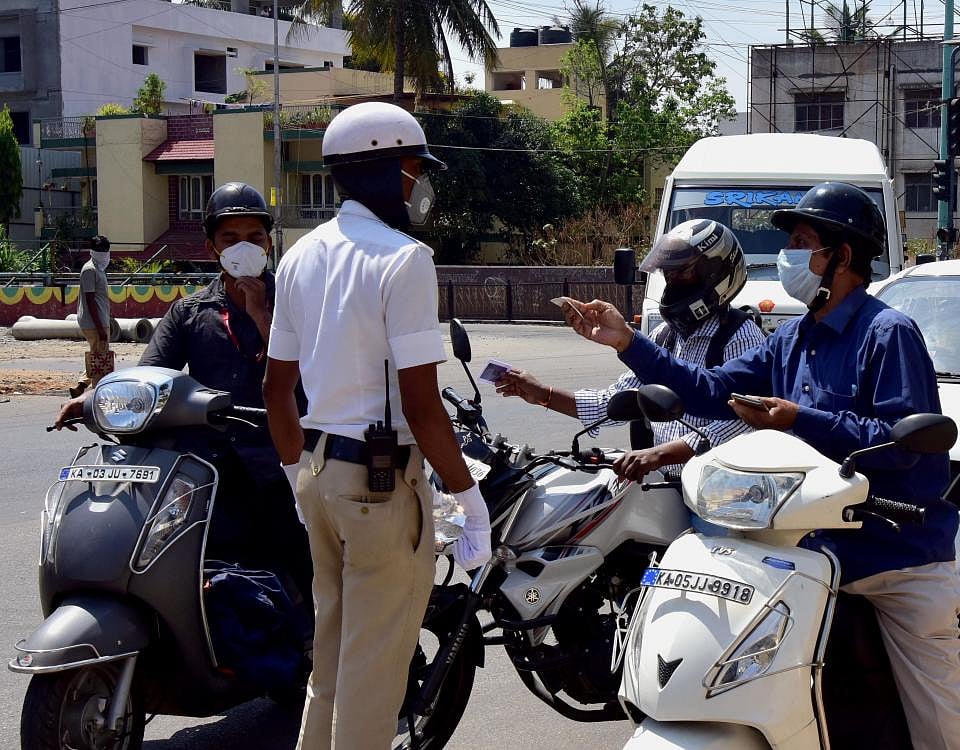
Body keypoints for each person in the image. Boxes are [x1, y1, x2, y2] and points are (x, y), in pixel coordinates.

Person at [556, 182, 960, 750]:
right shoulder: (794, 336)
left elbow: (902, 442)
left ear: (842, 256)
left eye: (802, 242)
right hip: (803, 549)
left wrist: (799, 419)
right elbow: (711, 390)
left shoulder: (888, 335)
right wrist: (628, 342)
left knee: (940, 721)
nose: (788, 256)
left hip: (893, 555)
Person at [262, 101, 492, 750]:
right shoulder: (404, 259)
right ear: (382, 169)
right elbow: (422, 406)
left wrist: (297, 482)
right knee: (373, 678)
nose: (421, 185)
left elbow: (277, 389)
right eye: (415, 169)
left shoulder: (301, 257)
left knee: (332, 663)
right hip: (380, 487)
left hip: (319, 476)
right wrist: (471, 505)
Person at [55, 183, 313, 611]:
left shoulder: (297, 303)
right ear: (212, 246)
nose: (243, 247)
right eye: (230, 238)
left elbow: (311, 378)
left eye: (254, 237)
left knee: (305, 576)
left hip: (283, 468)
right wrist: (93, 401)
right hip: (209, 471)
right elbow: (150, 376)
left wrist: (264, 317)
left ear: (269, 243)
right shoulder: (190, 311)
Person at [496, 220, 764, 494]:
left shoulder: (740, 337)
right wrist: (542, 393)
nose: (672, 283)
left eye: (681, 273)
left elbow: (738, 424)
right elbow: (611, 403)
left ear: (715, 273)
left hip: (719, 494)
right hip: (669, 486)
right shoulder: (665, 336)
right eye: (668, 275)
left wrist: (658, 455)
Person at [71, 235, 113, 397]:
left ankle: (81, 385)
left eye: (106, 250)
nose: (105, 254)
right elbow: (90, 300)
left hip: (100, 318)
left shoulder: (98, 268)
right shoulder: (90, 269)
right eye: (102, 250)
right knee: (100, 357)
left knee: (97, 354)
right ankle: (96, 393)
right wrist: (100, 327)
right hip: (94, 321)